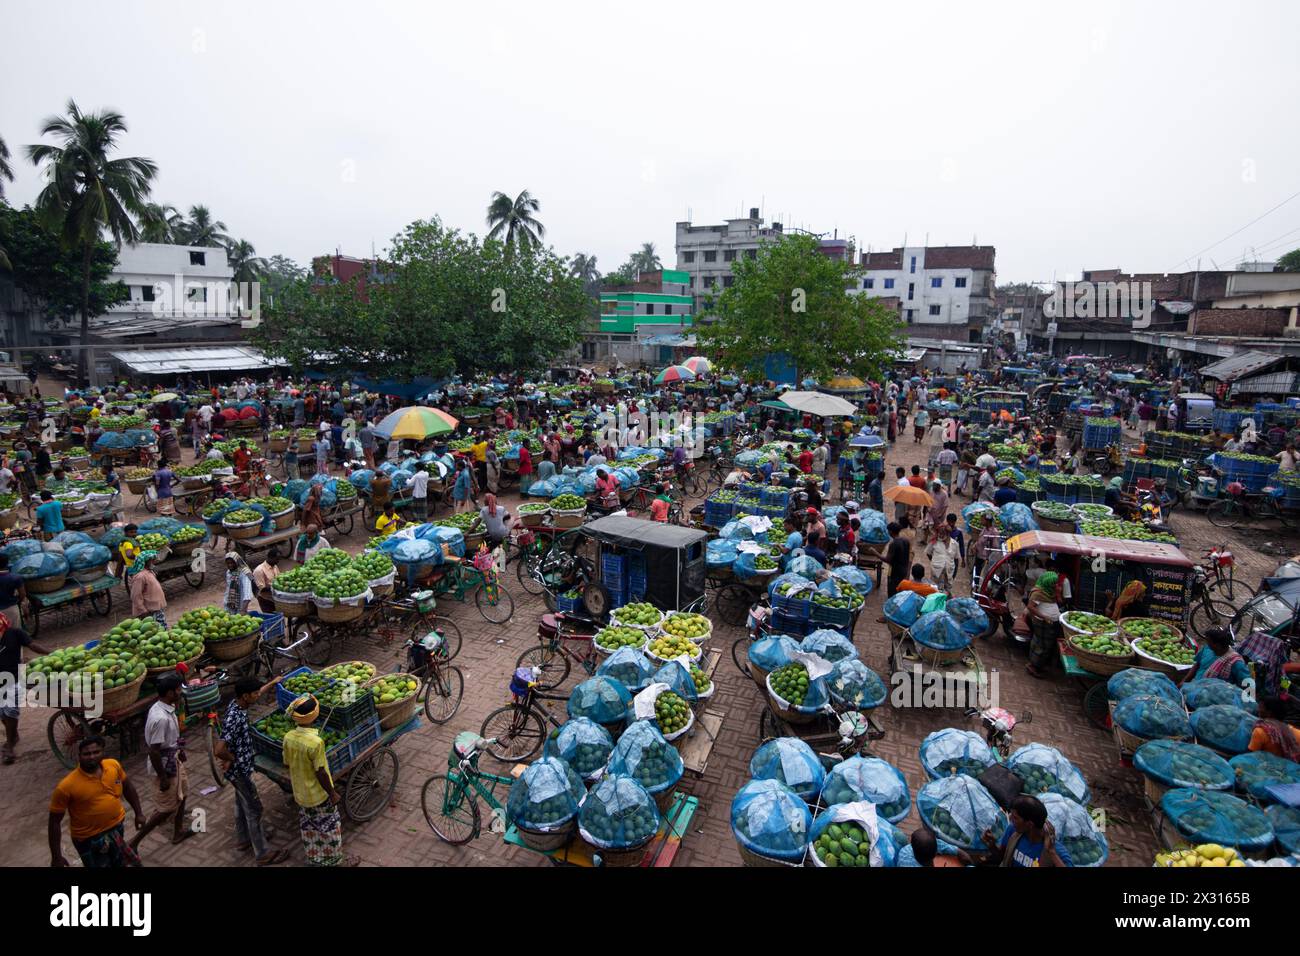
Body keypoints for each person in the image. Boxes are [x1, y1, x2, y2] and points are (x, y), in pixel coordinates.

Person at [213, 676, 290, 866]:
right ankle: (262, 853)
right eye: (255, 694)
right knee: (255, 809)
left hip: (238, 771)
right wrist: (233, 759)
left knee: (242, 804)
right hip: (239, 771)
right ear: (246, 696)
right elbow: (219, 749)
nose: (258, 695)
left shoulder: (237, 703)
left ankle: (243, 839)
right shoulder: (235, 717)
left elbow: (258, 691)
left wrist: (272, 683)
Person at [283, 695, 359, 866]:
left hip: (300, 793)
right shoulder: (316, 742)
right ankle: (335, 861)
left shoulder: (288, 737)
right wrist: (332, 793)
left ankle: (314, 857)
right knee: (329, 827)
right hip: (318, 794)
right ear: (314, 716)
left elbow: (286, 762)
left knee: (309, 826)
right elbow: (321, 772)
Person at [49, 736, 145, 867]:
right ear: (79, 756)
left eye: (96, 752)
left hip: (117, 828)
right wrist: (56, 857)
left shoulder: (113, 765)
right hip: (89, 839)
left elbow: (128, 787)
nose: (92, 757)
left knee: (118, 863)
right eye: (86, 754)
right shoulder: (66, 786)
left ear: (102, 752)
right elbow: (54, 822)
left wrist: (139, 813)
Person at [132, 675, 194, 849]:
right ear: (169, 692)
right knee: (165, 808)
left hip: (173, 759)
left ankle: (178, 831)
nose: (180, 692)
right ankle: (134, 842)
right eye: (178, 690)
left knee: (184, 792)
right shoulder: (161, 718)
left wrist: (179, 751)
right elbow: (154, 751)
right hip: (166, 766)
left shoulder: (165, 707)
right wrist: (164, 777)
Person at [978, 795, 1071, 867]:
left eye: (1015, 817)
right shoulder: (1013, 831)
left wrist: (1051, 852)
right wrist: (992, 846)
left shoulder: (1056, 851)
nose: (1010, 819)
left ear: (1029, 824)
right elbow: (1002, 858)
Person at [1021, 571, 1061, 678]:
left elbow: (1057, 602)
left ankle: (1036, 664)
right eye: (1054, 584)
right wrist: (1045, 617)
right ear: (1048, 583)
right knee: (1042, 645)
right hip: (1043, 623)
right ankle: (1034, 666)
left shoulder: (1050, 592)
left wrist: (1058, 593)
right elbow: (1031, 607)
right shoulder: (1038, 593)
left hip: (1049, 623)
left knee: (1044, 644)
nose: (1056, 585)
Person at [128, 550, 167, 627]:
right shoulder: (140, 577)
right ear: (145, 562)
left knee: (162, 629)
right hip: (149, 611)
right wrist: (143, 610)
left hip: (157, 608)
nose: (153, 562)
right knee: (155, 630)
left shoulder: (150, 572)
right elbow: (135, 595)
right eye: (151, 561)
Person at [927, 524, 961, 593]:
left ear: (948, 534)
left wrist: (954, 573)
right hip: (936, 572)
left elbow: (956, 559)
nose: (940, 535)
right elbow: (928, 553)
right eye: (939, 533)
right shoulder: (934, 542)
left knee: (947, 591)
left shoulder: (954, 544)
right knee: (934, 590)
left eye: (943, 534)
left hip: (949, 573)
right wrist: (934, 562)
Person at [882, 523, 912, 601]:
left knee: (892, 592)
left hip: (894, 572)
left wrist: (875, 553)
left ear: (891, 532)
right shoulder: (906, 540)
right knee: (900, 592)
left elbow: (887, 560)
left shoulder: (893, 544)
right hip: (903, 570)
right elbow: (908, 557)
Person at [0, 555, 28, 633]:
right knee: (15, 633)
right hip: (11, 609)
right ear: (7, 563)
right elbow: (23, 594)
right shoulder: (15, 578)